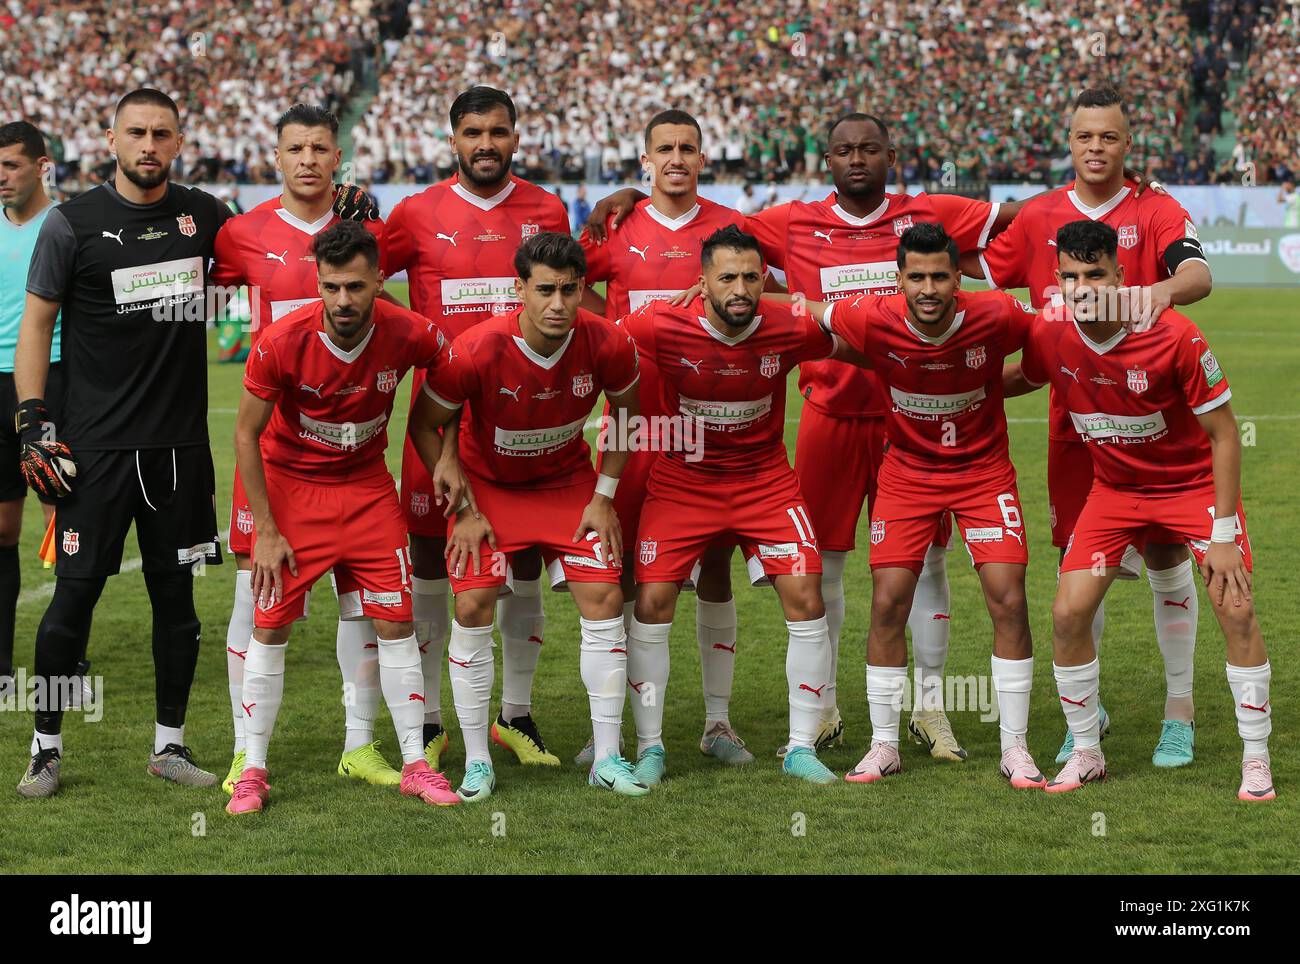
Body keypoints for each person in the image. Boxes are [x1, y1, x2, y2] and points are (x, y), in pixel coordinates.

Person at [967, 85, 1214, 768]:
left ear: (1127, 143)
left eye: (1109, 137)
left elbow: (1197, 272)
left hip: (1151, 424)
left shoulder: (1156, 208)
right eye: (1085, 137)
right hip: (1075, 423)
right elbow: (974, 273)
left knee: (1166, 560)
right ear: (1069, 141)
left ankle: (1179, 712)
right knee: (1082, 563)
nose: (1096, 148)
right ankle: (1090, 712)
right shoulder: (1039, 213)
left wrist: (1155, 293)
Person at [1006, 220, 1273, 801]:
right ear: (1056, 280)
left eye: (1094, 274)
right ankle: (1086, 751)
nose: (1081, 287)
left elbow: (1225, 437)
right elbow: (1016, 378)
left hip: (1192, 488)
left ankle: (1256, 759)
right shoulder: (1051, 334)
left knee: (1237, 606)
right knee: (1069, 613)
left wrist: (1223, 533)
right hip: (1114, 493)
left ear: (1120, 275)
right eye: (1070, 277)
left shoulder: (1175, 334)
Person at [15, 89, 232, 797]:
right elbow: (35, 329)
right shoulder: (70, 225)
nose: (148, 144)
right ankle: (46, 748)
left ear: (178, 142)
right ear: (111, 138)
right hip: (94, 452)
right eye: (135, 132)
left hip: (177, 450)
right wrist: (31, 420)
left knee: (177, 600)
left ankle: (169, 745)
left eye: (161, 133)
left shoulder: (207, 217)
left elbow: (283, 256)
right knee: (73, 598)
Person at [797, 223, 1044, 789]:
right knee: (887, 601)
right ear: (898, 280)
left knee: (1008, 600)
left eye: (939, 276)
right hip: (907, 475)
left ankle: (1015, 748)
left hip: (984, 474)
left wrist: (997, 384)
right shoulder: (872, 316)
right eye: (916, 277)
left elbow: (1049, 346)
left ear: (959, 278)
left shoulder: (998, 314)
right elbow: (806, 307)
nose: (928, 288)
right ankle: (884, 745)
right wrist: (720, 294)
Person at [227, 220, 460, 815]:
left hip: (366, 492)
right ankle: (252, 768)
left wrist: (450, 453)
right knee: (270, 626)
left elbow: (459, 375)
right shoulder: (281, 340)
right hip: (293, 493)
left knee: (396, 623)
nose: (343, 301)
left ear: (380, 280)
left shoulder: (409, 332)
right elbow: (246, 437)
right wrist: (269, 532)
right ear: (318, 282)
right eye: (331, 287)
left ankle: (414, 763)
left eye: (355, 287)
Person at [410, 232, 646, 799]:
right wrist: (463, 509)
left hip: (567, 485)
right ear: (520, 289)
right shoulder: (476, 348)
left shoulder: (608, 343)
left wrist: (604, 496)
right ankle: (476, 761)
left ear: (583, 288)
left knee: (606, 598)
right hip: (487, 489)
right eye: (544, 290)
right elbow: (423, 423)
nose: (558, 304)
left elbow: (629, 417)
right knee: (470, 602)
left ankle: (608, 757)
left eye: (569, 290)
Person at [618, 225, 852, 786]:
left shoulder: (786, 326)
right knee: (650, 601)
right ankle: (650, 747)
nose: (741, 288)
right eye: (727, 278)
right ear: (701, 282)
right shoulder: (659, 322)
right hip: (683, 480)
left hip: (764, 482)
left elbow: (855, 325)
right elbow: (593, 347)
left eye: (752, 277)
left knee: (805, 593)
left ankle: (800, 746)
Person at [383, 86, 570, 769]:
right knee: (433, 564)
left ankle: (515, 714)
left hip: (524, 421)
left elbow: (568, 287)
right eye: (472, 132)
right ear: (451, 139)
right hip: (441, 420)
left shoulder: (546, 209)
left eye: (497, 131)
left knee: (523, 563)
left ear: (515, 137)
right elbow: (360, 277)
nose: (484, 143)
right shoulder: (414, 213)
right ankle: (432, 719)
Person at [208, 104, 392, 795]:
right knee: (251, 601)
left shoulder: (366, 235)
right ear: (275, 158)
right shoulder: (239, 236)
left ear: (337, 157)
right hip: (273, 453)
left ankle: (360, 744)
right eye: (295, 148)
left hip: (349, 455)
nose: (308, 159)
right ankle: (242, 749)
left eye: (320, 148)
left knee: (361, 604)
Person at [577, 109, 763, 768]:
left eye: (688, 146)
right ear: (646, 159)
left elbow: (770, 297)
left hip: (707, 432)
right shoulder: (616, 228)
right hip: (633, 428)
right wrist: (613, 326)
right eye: (665, 149)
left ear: (703, 155)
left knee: (714, 569)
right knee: (621, 576)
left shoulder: (731, 231)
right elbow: (570, 288)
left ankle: (717, 724)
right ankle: (617, 729)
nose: (677, 158)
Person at [0, 122, 64, 705]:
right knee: (1, 527)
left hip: (52, 381)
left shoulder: (64, 225)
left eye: (11, 165)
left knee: (63, 516)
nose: (1, 177)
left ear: (41, 166)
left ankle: (67, 647)